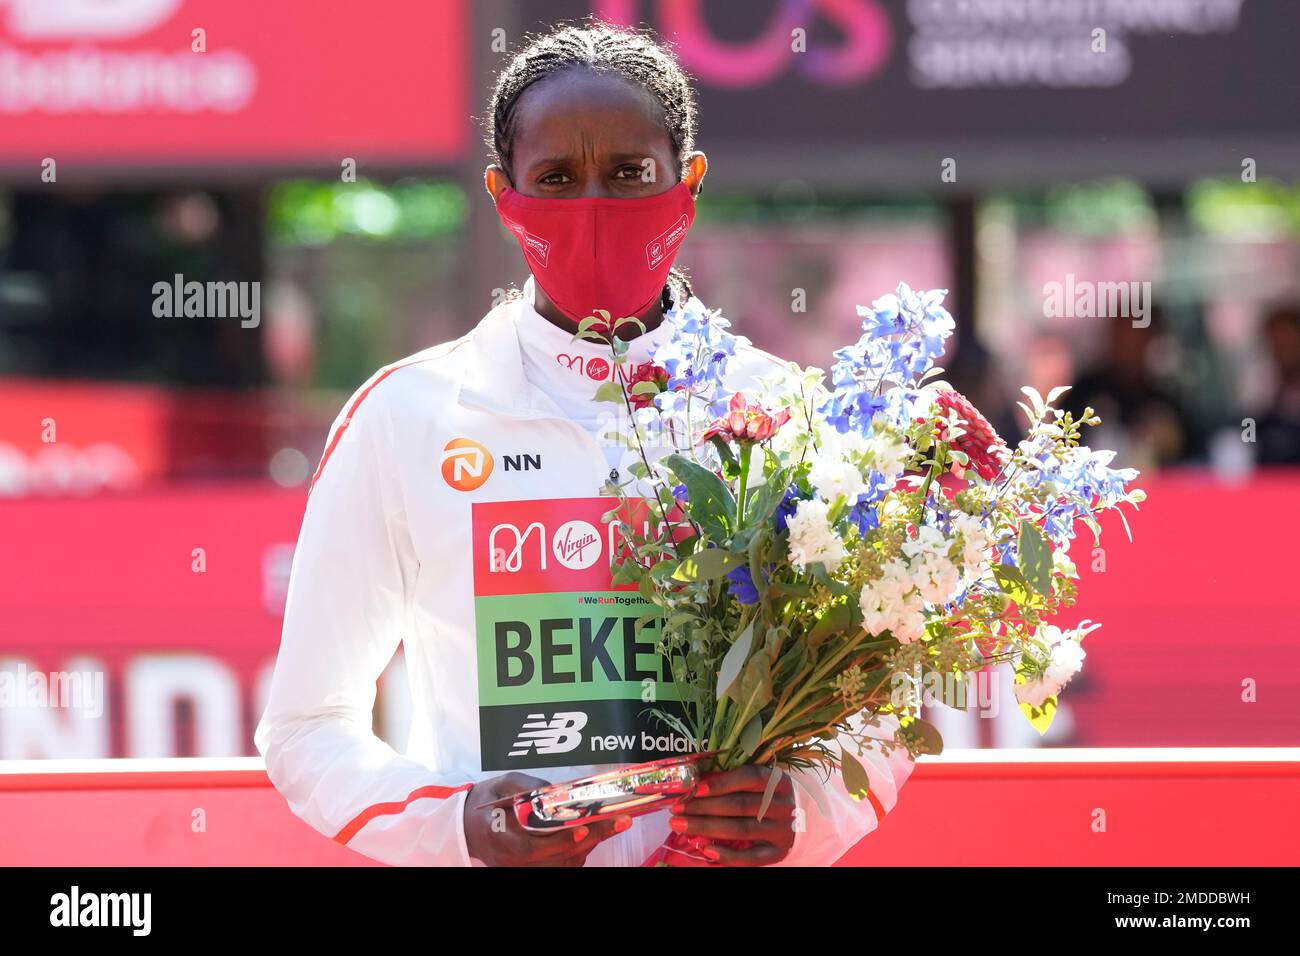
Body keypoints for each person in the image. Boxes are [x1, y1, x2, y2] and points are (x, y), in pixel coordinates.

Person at [256, 21, 912, 867]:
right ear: (502, 192)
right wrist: (456, 830)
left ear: (690, 182)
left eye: (631, 173)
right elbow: (307, 728)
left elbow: (880, 716)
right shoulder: (405, 416)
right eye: (555, 179)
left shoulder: (784, 409)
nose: (593, 208)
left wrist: (803, 813)